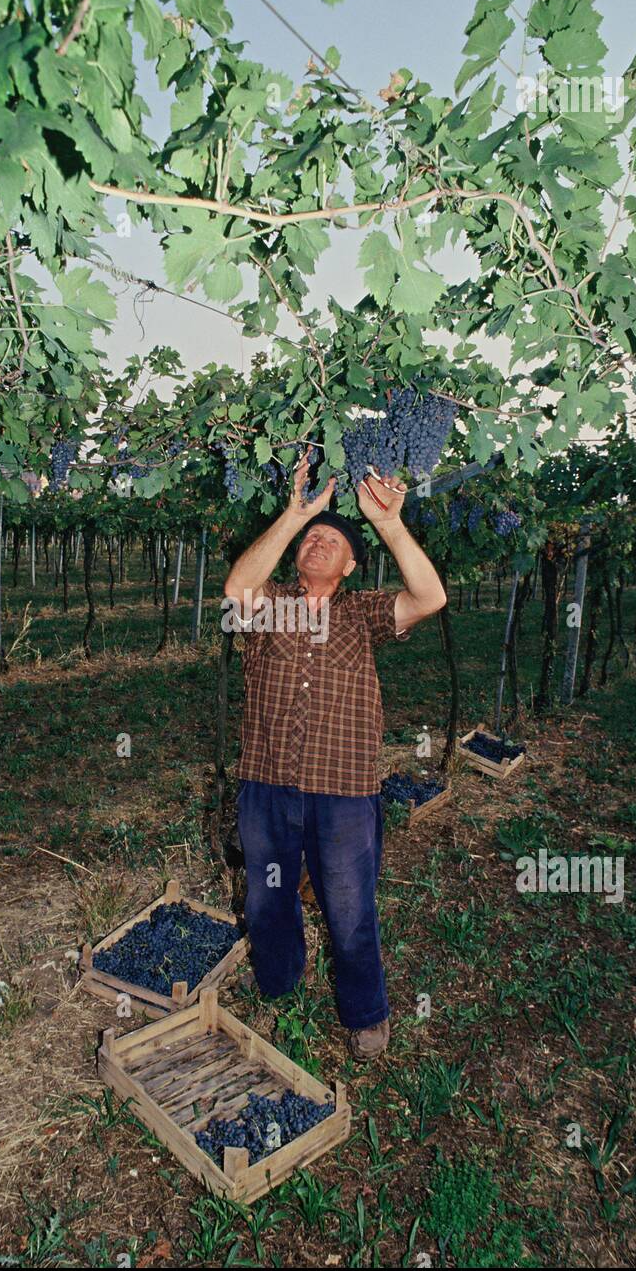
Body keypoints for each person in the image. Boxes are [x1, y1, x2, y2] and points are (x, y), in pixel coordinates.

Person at [223, 451, 447, 1060]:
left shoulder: (362, 613)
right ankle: (276, 982)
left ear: (350, 566)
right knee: (267, 897)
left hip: (345, 791)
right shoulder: (269, 605)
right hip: (267, 784)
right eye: (311, 539)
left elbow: (429, 598)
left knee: (350, 908)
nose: (320, 543)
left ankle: (365, 1011)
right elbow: (237, 587)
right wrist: (297, 516)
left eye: (332, 540)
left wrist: (390, 525)